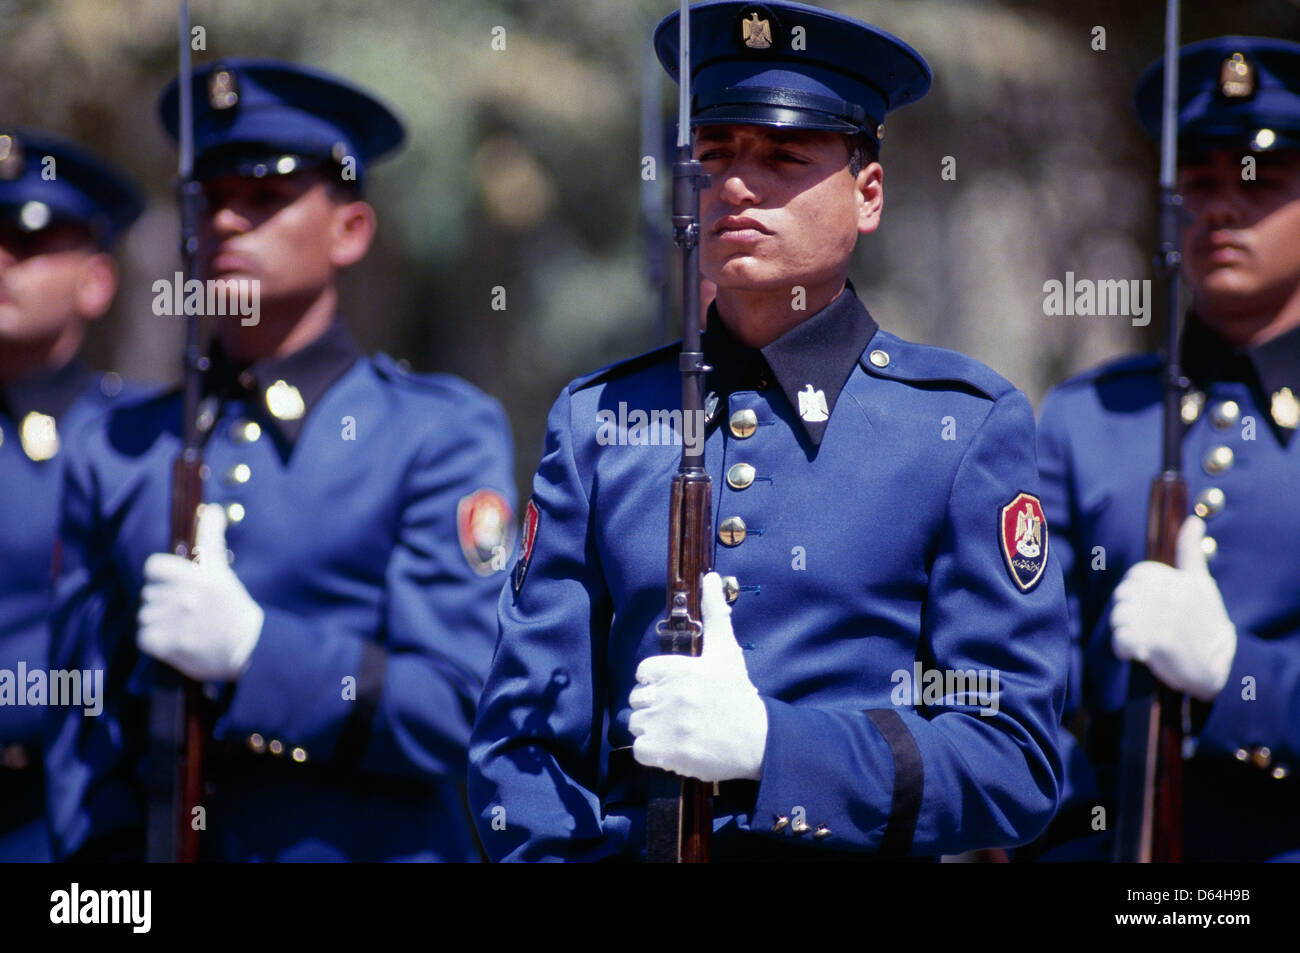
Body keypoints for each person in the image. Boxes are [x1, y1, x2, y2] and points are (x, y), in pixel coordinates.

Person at [468, 0, 1069, 862]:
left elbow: (1014, 758)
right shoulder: (600, 421)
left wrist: (774, 750)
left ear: (867, 195)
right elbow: (518, 746)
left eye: (784, 155)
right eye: (713, 155)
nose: (738, 185)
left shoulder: (957, 429)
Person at [45, 59, 516, 862]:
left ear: (350, 231)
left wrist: (257, 654)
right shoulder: (118, 447)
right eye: (211, 198)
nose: (228, 222)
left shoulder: (437, 435)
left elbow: (454, 704)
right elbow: (81, 732)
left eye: (264, 199)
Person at [1036, 36, 1300, 862]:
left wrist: (1239, 674)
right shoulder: (1089, 417)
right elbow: (1025, 671)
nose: (1222, 207)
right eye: (1200, 182)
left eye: (1259, 182)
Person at [0, 128, 143, 862]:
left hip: (67, 831)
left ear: (95, 281)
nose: (1, 262)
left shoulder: (138, 443)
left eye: (28, 243)